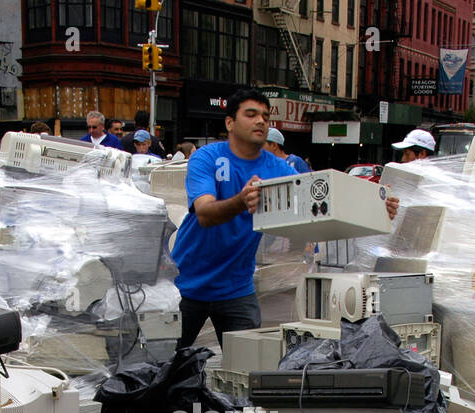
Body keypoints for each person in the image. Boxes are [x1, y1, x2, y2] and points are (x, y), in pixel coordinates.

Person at [170, 88, 397, 349]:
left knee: (245, 367)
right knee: (168, 366)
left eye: (266, 117)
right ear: (229, 122)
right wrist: (241, 201)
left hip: (236, 289)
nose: (260, 122)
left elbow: (323, 213)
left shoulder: (278, 169)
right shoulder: (207, 157)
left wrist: (376, 209)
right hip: (186, 284)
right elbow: (205, 214)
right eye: (251, 114)